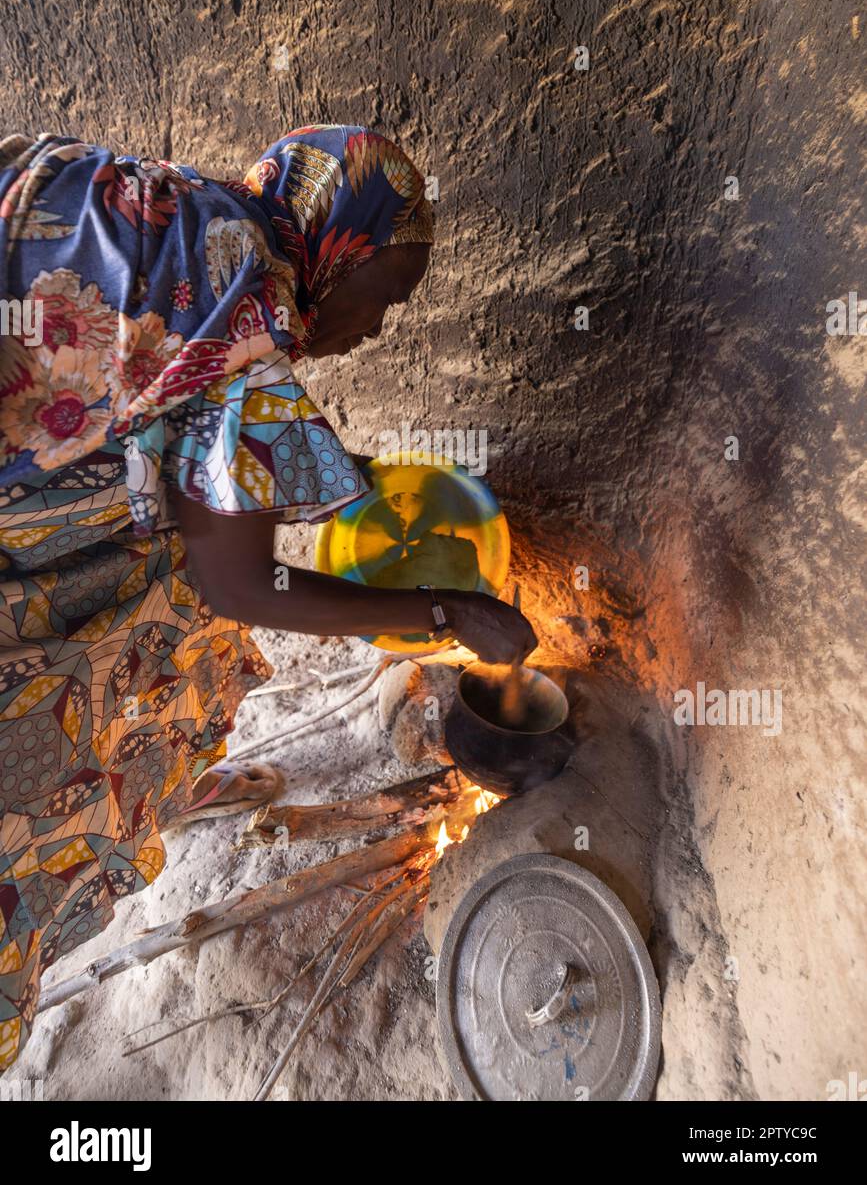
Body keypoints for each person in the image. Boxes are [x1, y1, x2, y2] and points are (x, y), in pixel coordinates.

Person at [0, 124, 536, 1068]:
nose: (379, 327)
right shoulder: (248, 300)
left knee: (160, 566)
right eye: (389, 295)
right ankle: (102, 800)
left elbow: (185, 438)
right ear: (341, 250)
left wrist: (348, 475)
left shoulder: (199, 217)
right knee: (136, 633)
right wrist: (443, 615)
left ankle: (171, 779)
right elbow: (246, 584)